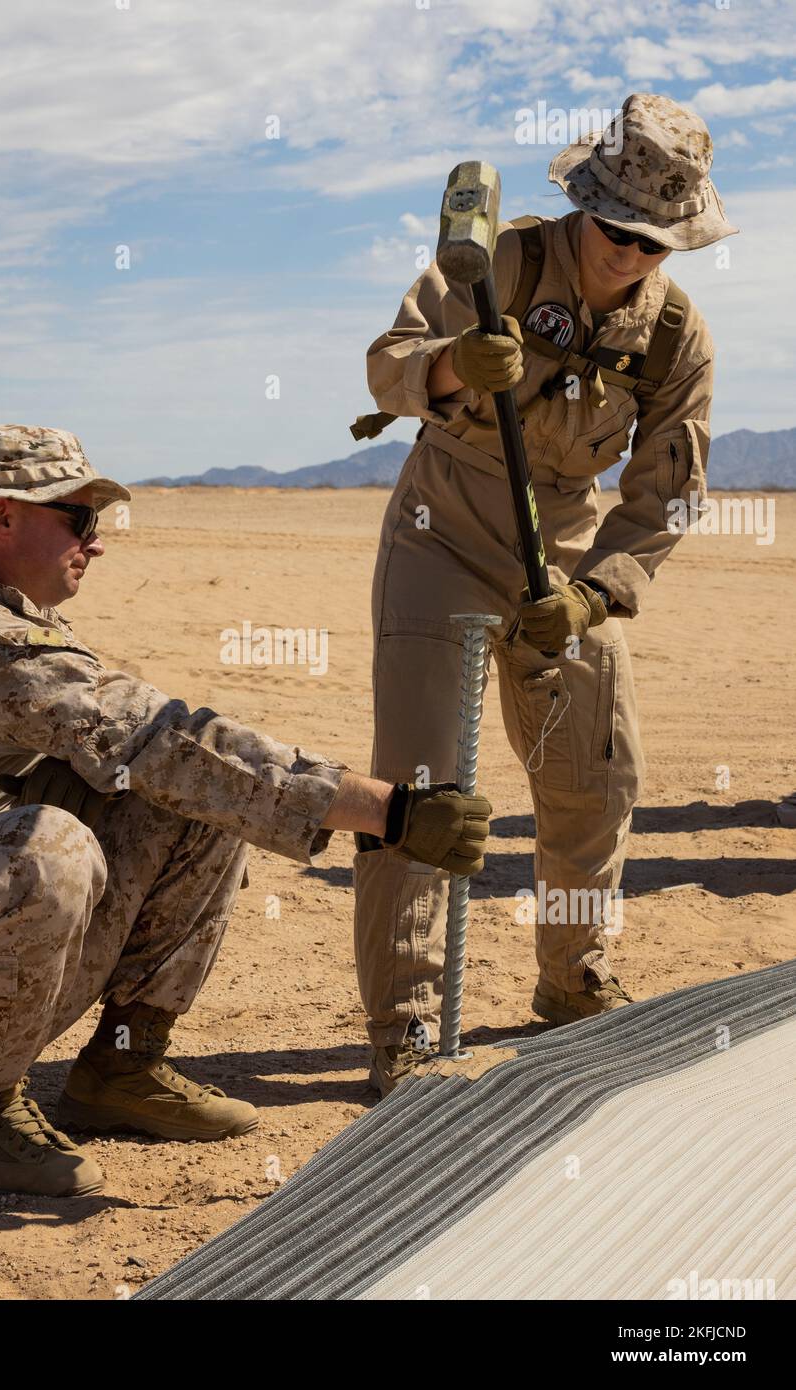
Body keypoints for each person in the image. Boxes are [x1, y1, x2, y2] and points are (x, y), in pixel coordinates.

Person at [0, 424, 492, 1198]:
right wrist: (390, 814)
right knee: (51, 845)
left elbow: (172, 765)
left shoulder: (0, 622)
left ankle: (121, 1068)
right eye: (81, 519)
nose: (95, 544)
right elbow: (157, 737)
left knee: (193, 799)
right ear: (2, 515)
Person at [352, 92, 738, 1096]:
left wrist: (593, 594)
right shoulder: (500, 263)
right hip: (441, 524)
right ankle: (400, 1026)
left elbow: (664, 494)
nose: (627, 254)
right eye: (614, 231)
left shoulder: (674, 338)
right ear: (582, 205)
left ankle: (571, 978)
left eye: (654, 243)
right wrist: (447, 366)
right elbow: (382, 367)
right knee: (426, 787)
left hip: (560, 548)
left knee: (593, 774)